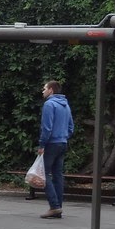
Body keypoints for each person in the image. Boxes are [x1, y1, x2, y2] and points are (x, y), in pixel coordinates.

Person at [38, 80, 74, 219]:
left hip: (51, 143)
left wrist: (42, 145)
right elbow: (71, 126)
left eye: (44, 88)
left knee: (45, 173)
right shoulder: (65, 105)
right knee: (58, 175)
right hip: (62, 142)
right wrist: (64, 136)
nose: (43, 91)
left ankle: (54, 206)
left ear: (51, 90)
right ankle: (58, 206)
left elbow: (46, 127)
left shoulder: (49, 104)